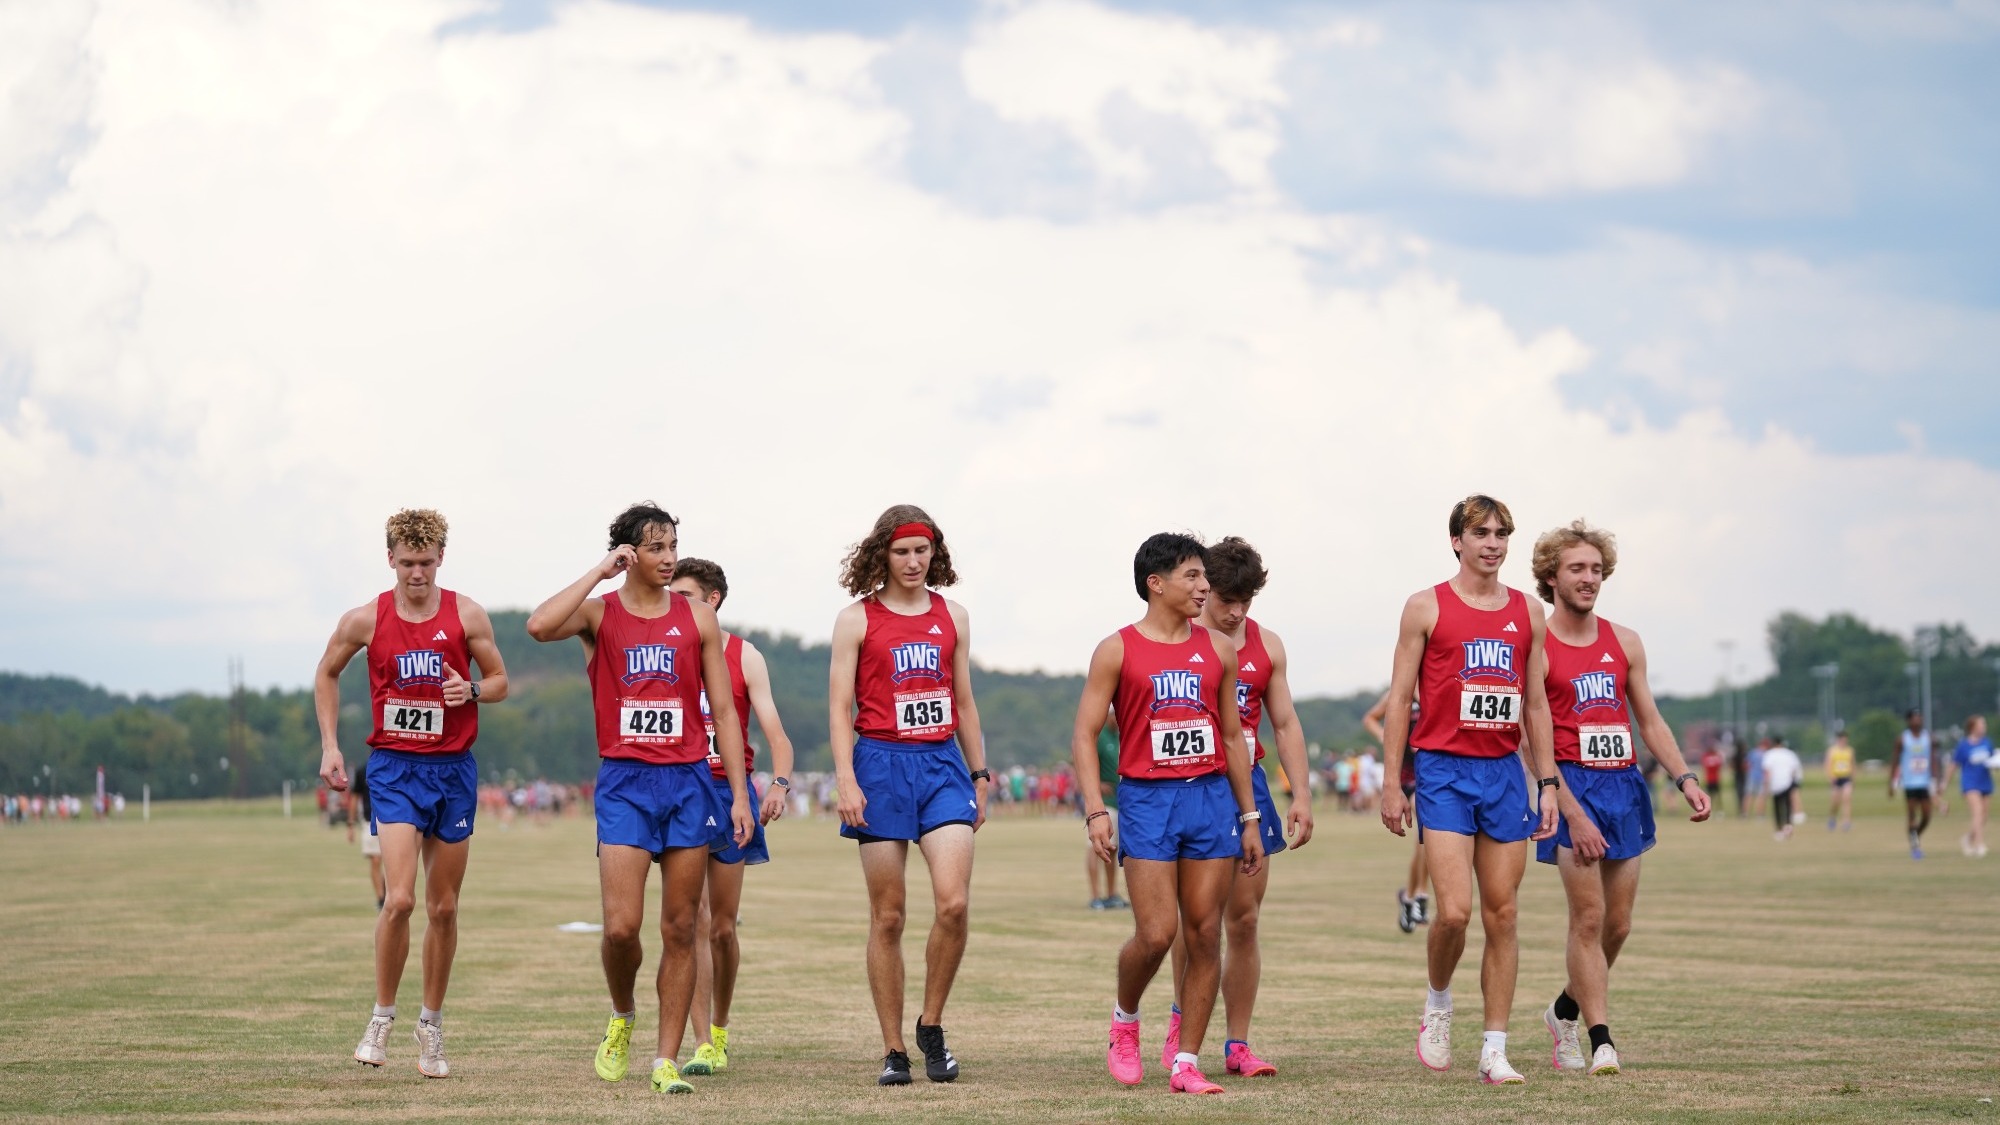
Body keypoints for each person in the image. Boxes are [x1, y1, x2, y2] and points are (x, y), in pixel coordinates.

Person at [526, 503, 754, 1095]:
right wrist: (600, 570)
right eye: (654, 547)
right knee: (622, 928)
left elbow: (725, 712)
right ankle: (622, 1015)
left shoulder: (696, 617)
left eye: (673, 545)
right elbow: (539, 625)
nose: (669, 557)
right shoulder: (599, 615)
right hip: (625, 783)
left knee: (681, 928)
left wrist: (738, 795)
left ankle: (665, 1059)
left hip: (687, 783)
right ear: (628, 553)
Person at [314, 508, 512, 1078]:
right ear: (390, 560)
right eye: (407, 563)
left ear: (441, 559)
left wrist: (471, 689)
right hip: (395, 768)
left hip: (452, 770)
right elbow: (326, 672)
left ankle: (431, 1024)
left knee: (443, 906)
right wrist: (330, 745)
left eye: (426, 562)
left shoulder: (466, 614)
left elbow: (499, 682)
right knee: (399, 899)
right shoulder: (365, 619)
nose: (417, 573)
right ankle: (381, 1017)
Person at [1073, 532, 1264, 1095]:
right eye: (1192, 577)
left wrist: (1250, 818)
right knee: (1157, 934)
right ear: (1156, 584)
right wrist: (1094, 810)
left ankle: (1186, 1062)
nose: (1205, 586)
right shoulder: (1117, 649)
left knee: (1206, 934)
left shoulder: (1219, 650)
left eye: (1205, 577)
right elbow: (1084, 734)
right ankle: (1126, 1019)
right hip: (1147, 799)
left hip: (1210, 799)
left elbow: (1232, 737)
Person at [1379, 495, 1559, 1086]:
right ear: (1456, 540)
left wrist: (1548, 784)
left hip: (1505, 773)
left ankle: (1495, 1046)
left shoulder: (1529, 612)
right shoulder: (1425, 606)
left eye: (1502, 533)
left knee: (1503, 914)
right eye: (1481, 532)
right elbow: (1400, 701)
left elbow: (1535, 703)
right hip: (1443, 771)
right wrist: (1391, 784)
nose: (1493, 543)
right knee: (1454, 912)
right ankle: (1437, 1003)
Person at [1530, 519, 1711, 1078]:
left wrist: (1685, 777)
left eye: (1596, 570)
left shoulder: (1625, 641)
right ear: (1552, 577)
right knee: (1587, 918)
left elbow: (1649, 721)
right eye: (1577, 569)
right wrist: (1564, 802)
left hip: (1625, 785)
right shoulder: (1536, 645)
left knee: (1619, 925)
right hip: (1571, 787)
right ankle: (1600, 1040)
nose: (1589, 579)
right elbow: (1529, 731)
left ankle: (1563, 1010)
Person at [828, 505, 990, 1086]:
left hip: (943, 764)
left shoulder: (955, 616)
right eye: (902, 552)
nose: (913, 562)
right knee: (889, 916)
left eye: (922, 551)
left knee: (953, 903)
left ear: (935, 553)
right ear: (882, 555)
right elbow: (839, 707)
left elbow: (965, 701)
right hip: (879, 766)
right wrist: (845, 777)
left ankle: (932, 1025)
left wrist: (980, 773)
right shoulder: (856, 619)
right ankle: (894, 1048)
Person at [1159, 537, 1314, 1079]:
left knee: (1243, 921)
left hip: (1248, 786)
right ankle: (1182, 1023)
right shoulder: (1178, 639)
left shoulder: (1267, 644)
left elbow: (1286, 722)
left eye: (1246, 598)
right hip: (1192, 788)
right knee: (1194, 923)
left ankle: (1239, 1044)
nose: (1236, 610)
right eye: (1227, 598)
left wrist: (1302, 793)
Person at [667, 558, 799, 1075]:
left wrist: (781, 785)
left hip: (730, 793)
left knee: (721, 927)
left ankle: (719, 1026)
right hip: (681, 791)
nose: (675, 602)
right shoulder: (665, 648)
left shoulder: (745, 656)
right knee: (692, 921)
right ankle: (701, 1042)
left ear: (713, 598)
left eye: (686, 594)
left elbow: (777, 736)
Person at [1368, 693, 1430, 933]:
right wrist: (1387, 737)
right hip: (1406, 776)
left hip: (1433, 771)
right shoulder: (1400, 690)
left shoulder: (1437, 682)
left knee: (1426, 838)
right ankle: (1420, 895)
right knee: (1425, 831)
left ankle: (1411, 895)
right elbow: (1370, 718)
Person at [1087, 715, 1127, 909]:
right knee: (1095, 847)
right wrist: (1095, 785)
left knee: (1113, 848)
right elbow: (1082, 761)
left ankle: (1111, 893)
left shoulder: (1119, 736)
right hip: (1102, 803)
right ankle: (1095, 895)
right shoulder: (1099, 736)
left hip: (1120, 801)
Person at [1889, 709, 1939, 860]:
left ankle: (1915, 835)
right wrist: (1892, 783)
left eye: (1920, 718)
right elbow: (1895, 761)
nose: (1918, 721)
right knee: (1912, 815)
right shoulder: (1903, 739)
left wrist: (1935, 780)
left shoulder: (1927, 738)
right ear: (1909, 721)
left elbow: (1933, 760)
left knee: (1927, 815)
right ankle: (1915, 846)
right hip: (1910, 783)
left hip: (1924, 782)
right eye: (1915, 718)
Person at [1952, 716, 1991, 857]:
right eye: (1981, 724)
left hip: (1985, 783)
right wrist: (1944, 782)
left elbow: (1992, 759)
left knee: (1984, 816)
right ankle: (1979, 845)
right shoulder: (1964, 745)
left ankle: (1968, 839)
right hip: (1969, 783)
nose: (1984, 727)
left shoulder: (1987, 743)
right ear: (1973, 727)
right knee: (1978, 812)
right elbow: (1954, 764)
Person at [351, 761, 385, 910]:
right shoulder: (362, 771)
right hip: (368, 819)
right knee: (376, 860)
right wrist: (350, 824)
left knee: (391, 862)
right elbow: (354, 797)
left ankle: (389, 894)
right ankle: (380, 898)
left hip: (391, 819)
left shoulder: (392, 767)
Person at [1762, 735, 1803, 841]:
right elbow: (1794, 769)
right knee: (1787, 807)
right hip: (1787, 783)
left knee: (1777, 808)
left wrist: (1766, 786)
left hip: (1775, 784)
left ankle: (1779, 829)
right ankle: (1788, 827)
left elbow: (1767, 772)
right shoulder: (1789, 754)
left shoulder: (1769, 754)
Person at [1824, 731, 1855, 831]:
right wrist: (1831, 776)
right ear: (1838, 740)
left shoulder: (1850, 750)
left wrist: (1853, 777)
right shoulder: (1832, 751)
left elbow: (1852, 764)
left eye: (1845, 740)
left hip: (1846, 777)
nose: (1843, 742)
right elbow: (1828, 764)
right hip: (1836, 778)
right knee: (1836, 801)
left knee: (1847, 798)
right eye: (1842, 740)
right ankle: (1832, 817)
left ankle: (1846, 822)